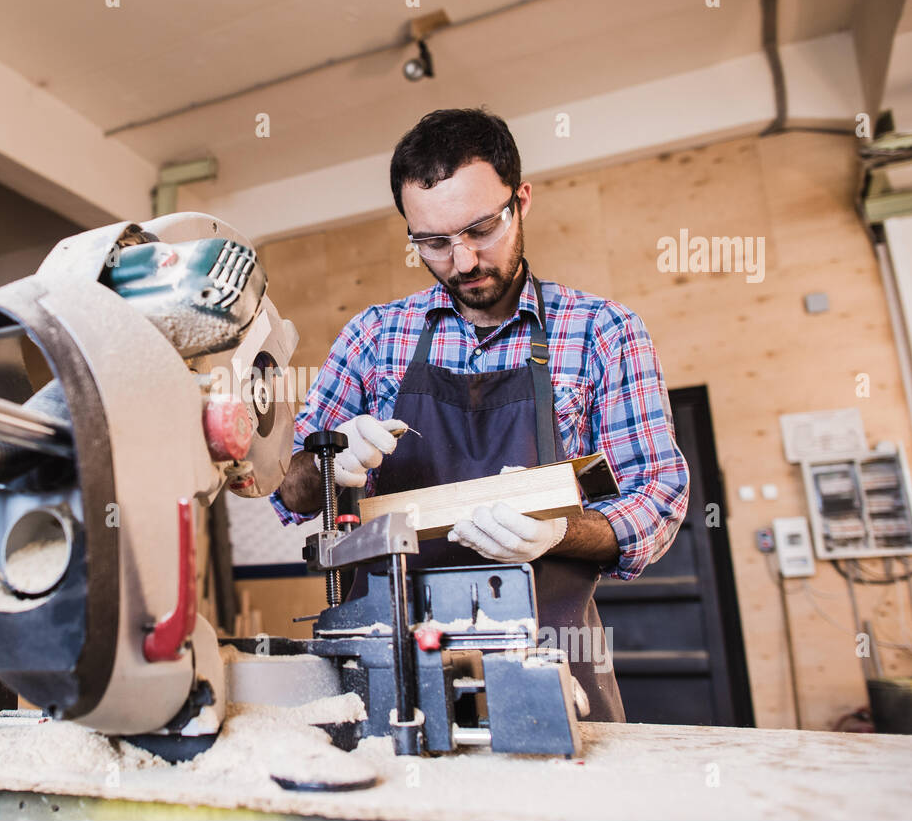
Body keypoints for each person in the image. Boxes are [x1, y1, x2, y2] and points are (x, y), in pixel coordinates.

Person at [269, 108, 690, 722]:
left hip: (550, 656)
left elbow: (659, 494)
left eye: (482, 229)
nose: (463, 261)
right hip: (394, 667)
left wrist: (558, 534)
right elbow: (289, 486)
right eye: (434, 243)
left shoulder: (601, 331)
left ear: (521, 200)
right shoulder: (373, 337)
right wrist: (332, 461)